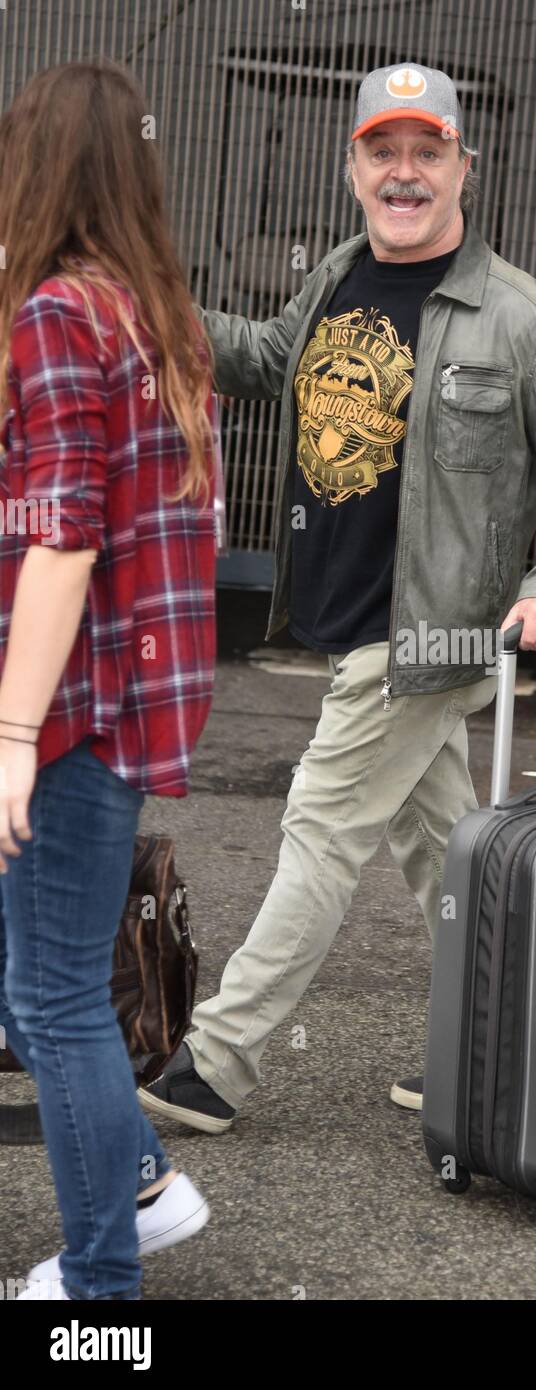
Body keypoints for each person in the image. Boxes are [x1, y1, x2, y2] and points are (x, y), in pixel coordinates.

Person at [140, 61, 536, 1133]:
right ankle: (503, 1048)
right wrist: (151, 309)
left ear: (464, 163)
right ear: (353, 164)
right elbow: (271, 358)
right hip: (346, 613)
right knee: (440, 849)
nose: (403, 172)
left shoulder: (518, 318)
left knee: (320, 828)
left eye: (426, 151)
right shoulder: (341, 272)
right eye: (382, 150)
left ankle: (214, 1067)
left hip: (428, 631)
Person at [0, 59, 217, 1300]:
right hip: (129, 707)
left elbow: (64, 534)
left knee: (59, 996)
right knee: (35, 977)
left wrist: (14, 730)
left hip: (70, 716)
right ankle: (141, 1181)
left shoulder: (56, 315)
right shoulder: (158, 314)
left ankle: (99, 1292)